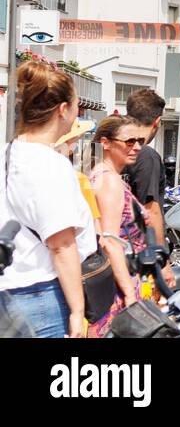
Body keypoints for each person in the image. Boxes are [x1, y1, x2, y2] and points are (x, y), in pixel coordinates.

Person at [0, 60, 98, 338]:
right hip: (42, 294)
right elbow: (61, 244)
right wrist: (78, 311)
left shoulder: (8, 153)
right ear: (63, 110)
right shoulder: (50, 164)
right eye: (77, 106)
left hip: (10, 289)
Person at [88, 116, 149, 338]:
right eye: (129, 141)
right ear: (105, 143)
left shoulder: (103, 175)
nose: (137, 147)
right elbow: (110, 242)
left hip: (117, 279)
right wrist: (130, 296)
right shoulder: (109, 181)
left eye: (140, 141)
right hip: (118, 286)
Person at [122, 89, 175, 289]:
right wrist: (162, 262)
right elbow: (151, 210)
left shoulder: (114, 147)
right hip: (140, 255)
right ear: (157, 122)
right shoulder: (146, 156)